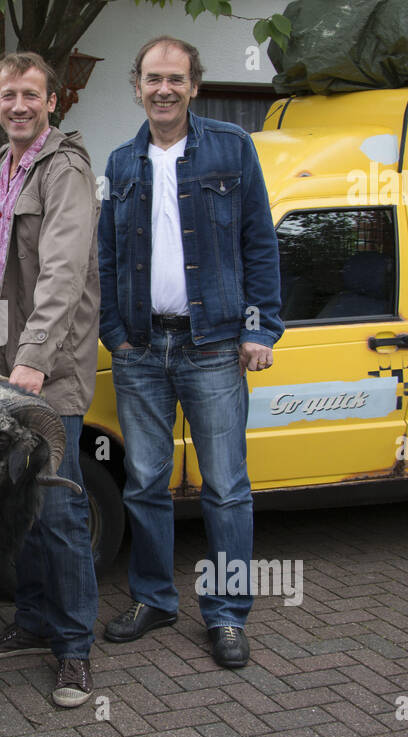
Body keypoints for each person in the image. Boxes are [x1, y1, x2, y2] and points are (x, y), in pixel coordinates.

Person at [96, 36, 283, 669]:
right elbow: (107, 257)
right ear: (138, 86)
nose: (164, 89)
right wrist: (115, 333)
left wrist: (260, 327)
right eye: (153, 78)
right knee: (145, 483)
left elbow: (260, 240)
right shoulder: (121, 162)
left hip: (215, 344)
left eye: (176, 78)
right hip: (141, 349)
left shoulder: (233, 148)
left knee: (225, 488)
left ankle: (227, 614)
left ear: (194, 85)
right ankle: (153, 599)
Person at [0, 51, 101, 709]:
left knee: (62, 508)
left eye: (31, 95)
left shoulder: (66, 168)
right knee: (24, 504)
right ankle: (37, 621)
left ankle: (74, 649)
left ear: (51, 102)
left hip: (47, 368)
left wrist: (35, 359)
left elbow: (63, 271)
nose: (19, 105)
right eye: (8, 95)